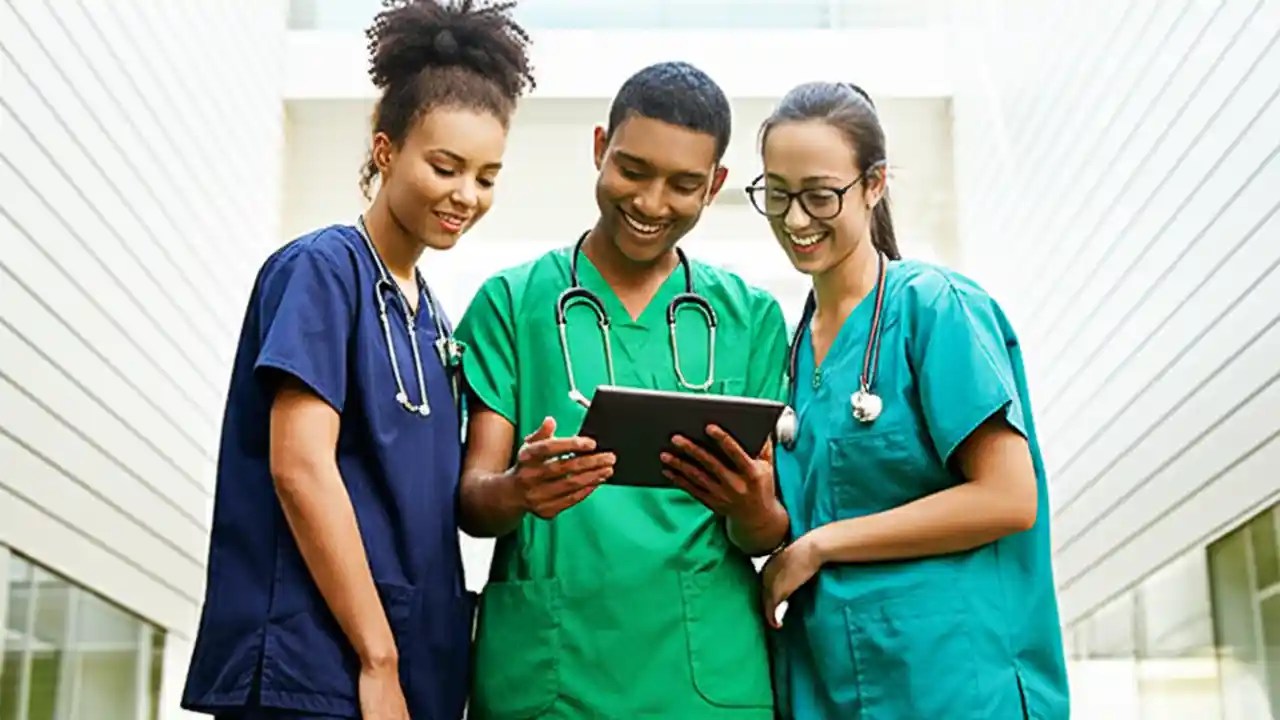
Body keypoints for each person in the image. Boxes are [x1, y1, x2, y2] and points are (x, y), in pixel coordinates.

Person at [179, 2, 535, 718]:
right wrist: (377, 657)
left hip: (411, 675)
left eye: (487, 176)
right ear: (384, 152)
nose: (466, 195)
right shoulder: (322, 271)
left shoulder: (432, 318)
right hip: (314, 666)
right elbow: (300, 466)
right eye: (445, 166)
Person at [454, 61, 790, 719]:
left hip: (705, 677)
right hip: (552, 674)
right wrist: (518, 491)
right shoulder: (512, 303)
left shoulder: (750, 318)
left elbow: (765, 530)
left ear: (715, 184)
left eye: (684, 184)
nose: (650, 203)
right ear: (600, 146)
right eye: (632, 170)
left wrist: (750, 507)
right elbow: (473, 501)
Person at [750, 81, 1070, 719]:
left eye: (819, 195)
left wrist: (820, 545)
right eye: (777, 195)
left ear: (873, 185)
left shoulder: (934, 308)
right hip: (834, 686)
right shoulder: (788, 354)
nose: (794, 219)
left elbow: (1008, 497)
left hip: (959, 684)